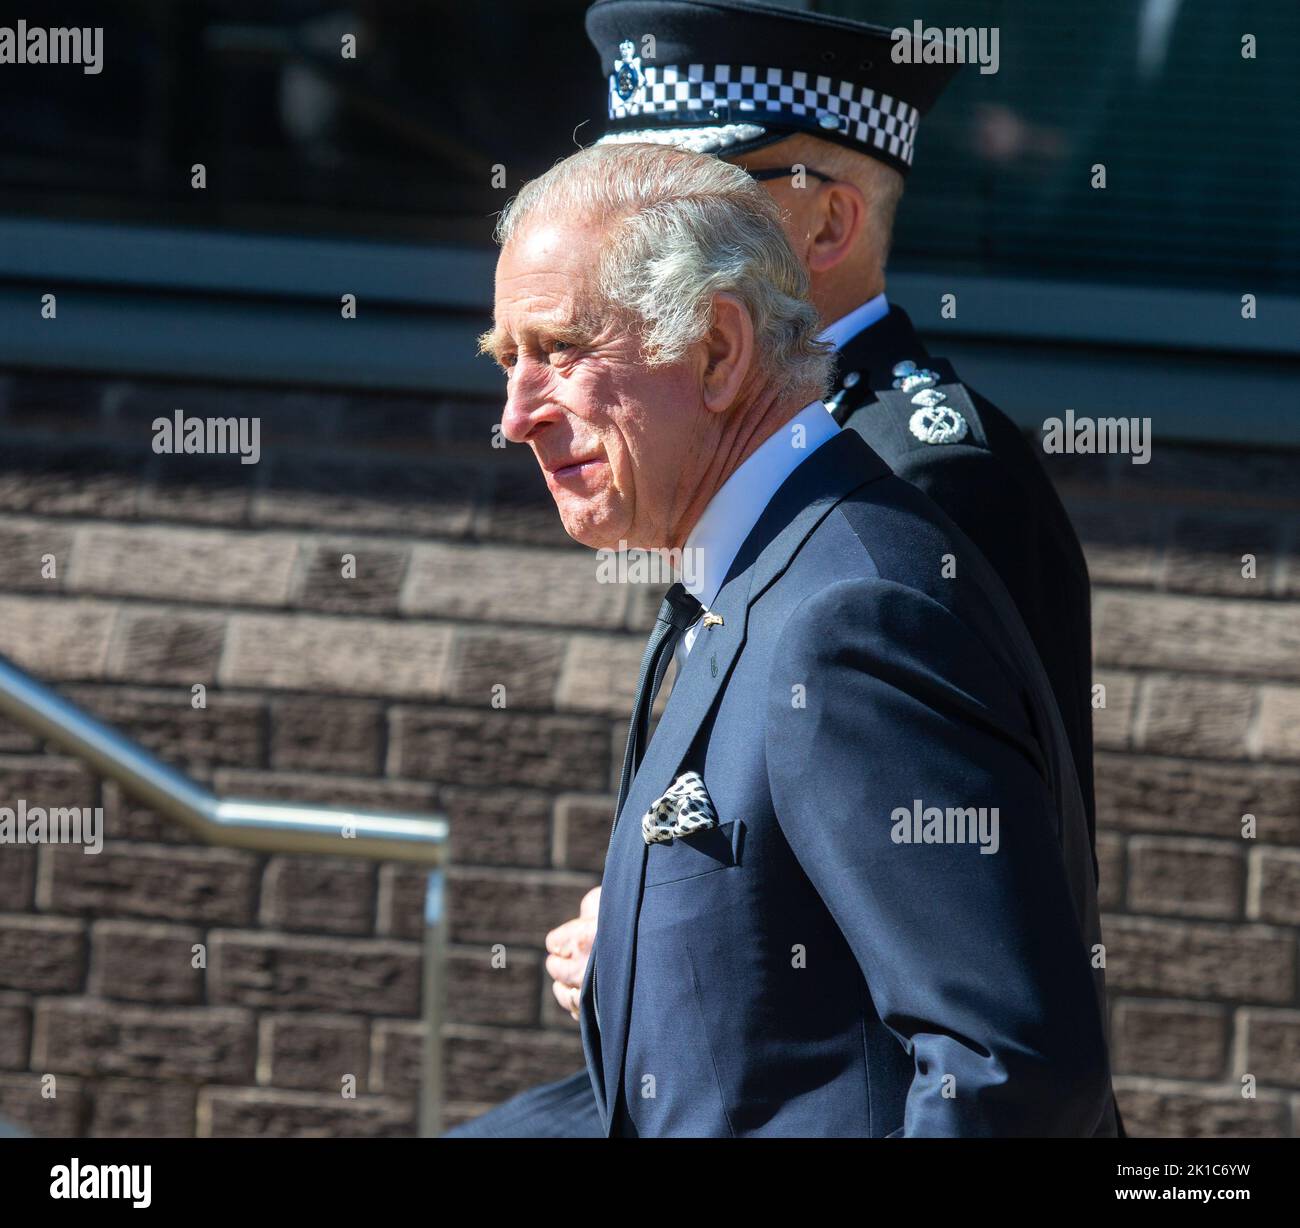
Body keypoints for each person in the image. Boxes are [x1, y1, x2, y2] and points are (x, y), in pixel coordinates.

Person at [448, 0, 1101, 1137]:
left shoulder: (868, 567)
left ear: (716, 347)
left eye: (560, 351)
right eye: (510, 359)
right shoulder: (735, 523)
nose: (514, 416)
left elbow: (1003, 1062)